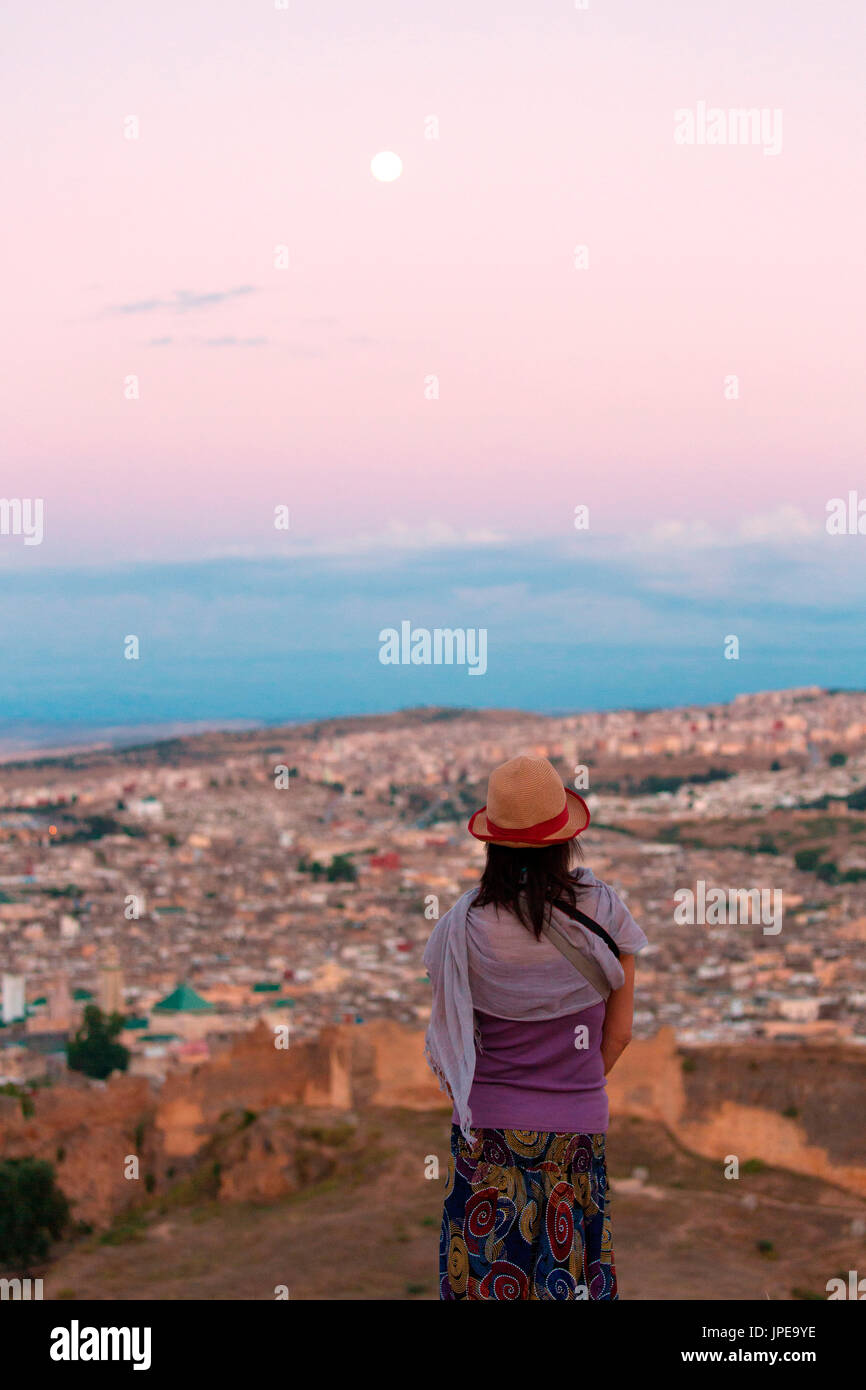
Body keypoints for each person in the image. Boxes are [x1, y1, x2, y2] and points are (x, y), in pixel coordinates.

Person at [424, 754, 648, 1301]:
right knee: (567, 1275)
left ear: (491, 843)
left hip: (487, 1131)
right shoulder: (604, 913)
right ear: (565, 838)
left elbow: (452, 1034)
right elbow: (618, 1033)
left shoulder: (462, 928)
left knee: (485, 1273)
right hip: (575, 1132)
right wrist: (571, 1088)